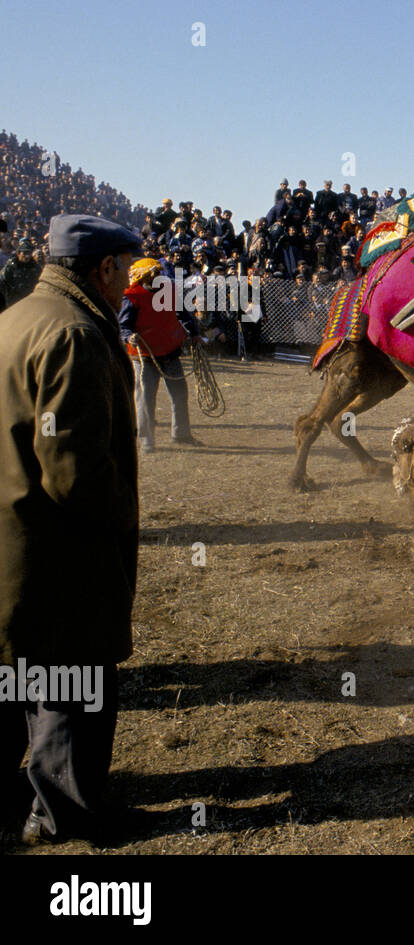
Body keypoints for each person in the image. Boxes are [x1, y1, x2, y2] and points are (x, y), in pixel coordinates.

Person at [0, 214, 142, 846]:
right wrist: (122, 518)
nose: (130, 285)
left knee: (19, 674)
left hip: (13, 533)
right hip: (59, 549)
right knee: (69, 683)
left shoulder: (14, 321)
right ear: (102, 268)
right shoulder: (75, 335)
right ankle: (62, 815)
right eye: (126, 271)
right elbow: (74, 474)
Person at [119, 258, 200, 451]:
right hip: (145, 356)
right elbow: (123, 325)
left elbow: (183, 315)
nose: (157, 276)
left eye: (158, 273)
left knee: (179, 394)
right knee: (145, 397)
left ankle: (181, 434)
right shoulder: (132, 296)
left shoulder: (170, 291)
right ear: (143, 277)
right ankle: (147, 440)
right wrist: (129, 337)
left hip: (170, 352)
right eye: (152, 274)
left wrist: (194, 333)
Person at [0, 237, 42, 312]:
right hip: (13, 303)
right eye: (24, 253)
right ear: (18, 253)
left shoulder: (35, 267)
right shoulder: (11, 267)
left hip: (31, 302)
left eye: (29, 253)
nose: (27, 256)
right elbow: (3, 283)